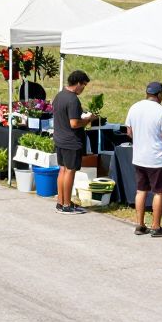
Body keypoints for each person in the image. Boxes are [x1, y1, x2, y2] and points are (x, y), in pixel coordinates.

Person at [125, 81, 162, 237]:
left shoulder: (134, 107)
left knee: (141, 191)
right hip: (157, 159)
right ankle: (156, 227)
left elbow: (129, 132)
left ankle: (140, 224)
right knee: (159, 193)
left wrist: (141, 139)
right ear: (159, 94)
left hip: (139, 157)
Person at [52, 70, 94, 215]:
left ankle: (60, 202)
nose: (83, 89)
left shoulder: (59, 95)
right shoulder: (73, 99)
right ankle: (67, 204)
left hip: (59, 139)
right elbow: (74, 123)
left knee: (62, 170)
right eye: (83, 86)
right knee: (70, 171)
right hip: (71, 141)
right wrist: (88, 119)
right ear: (77, 83)